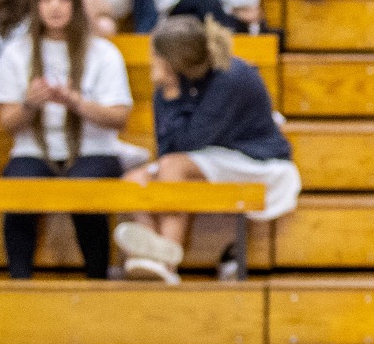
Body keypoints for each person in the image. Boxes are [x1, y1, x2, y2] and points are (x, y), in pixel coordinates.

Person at [116, 15, 299, 284]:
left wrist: (171, 94)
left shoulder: (231, 77)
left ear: (174, 59)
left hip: (256, 159)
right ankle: (153, 253)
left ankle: (166, 264)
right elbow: (165, 147)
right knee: (133, 180)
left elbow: (190, 142)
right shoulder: (173, 81)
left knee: (173, 168)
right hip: (209, 155)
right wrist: (168, 92)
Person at [0, 0, 134, 280]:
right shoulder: (17, 52)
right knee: (19, 187)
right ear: (36, 4)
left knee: (84, 189)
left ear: (77, 4)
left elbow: (119, 118)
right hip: (33, 149)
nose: (54, 6)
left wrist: (76, 102)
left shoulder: (103, 53)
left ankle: (97, 279)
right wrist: (30, 104)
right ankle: (19, 282)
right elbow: (7, 123)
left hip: (93, 147)